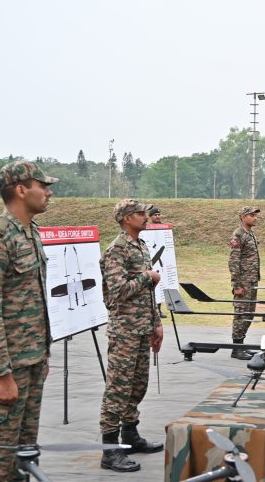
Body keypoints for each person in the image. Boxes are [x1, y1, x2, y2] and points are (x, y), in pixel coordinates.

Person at [0, 160, 58, 481]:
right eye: (42, 185)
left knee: (23, 456)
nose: (48, 191)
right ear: (21, 190)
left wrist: (42, 355)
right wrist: (2, 374)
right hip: (5, 370)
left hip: (30, 362)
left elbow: (33, 299)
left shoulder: (31, 233)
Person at [99, 199, 164, 473]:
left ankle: (130, 436)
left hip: (141, 328)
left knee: (137, 386)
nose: (145, 217)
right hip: (124, 331)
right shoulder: (117, 250)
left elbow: (148, 295)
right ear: (126, 218)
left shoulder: (140, 245)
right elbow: (117, 291)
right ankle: (110, 450)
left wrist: (156, 323)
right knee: (118, 390)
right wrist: (147, 277)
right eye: (139, 213)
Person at [228, 206, 261, 360]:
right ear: (243, 217)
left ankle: (241, 345)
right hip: (243, 282)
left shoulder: (250, 234)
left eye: (255, 215)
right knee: (240, 314)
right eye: (252, 215)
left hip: (252, 280)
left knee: (249, 313)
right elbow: (234, 261)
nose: (255, 218)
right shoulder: (238, 235)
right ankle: (236, 349)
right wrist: (236, 285)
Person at [146, 206, 167, 318]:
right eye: (155, 215)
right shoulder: (146, 228)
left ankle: (159, 309)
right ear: (150, 217)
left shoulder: (164, 228)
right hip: (151, 258)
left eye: (159, 214)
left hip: (161, 258)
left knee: (161, 285)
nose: (158, 216)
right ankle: (151, 310)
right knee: (151, 285)